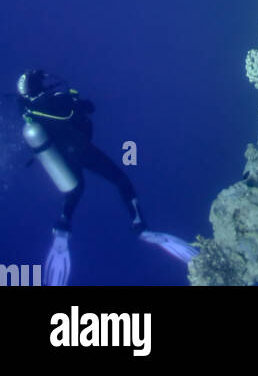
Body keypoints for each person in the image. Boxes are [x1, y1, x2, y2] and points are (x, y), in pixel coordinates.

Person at [18, 69, 197, 285]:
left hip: (64, 157)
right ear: (38, 84)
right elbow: (86, 108)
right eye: (42, 79)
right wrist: (75, 98)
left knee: (75, 189)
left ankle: (63, 226)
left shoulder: (29, 110)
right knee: (120, 180)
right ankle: (140, 226)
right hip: (82, 150)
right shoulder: (55, 99)